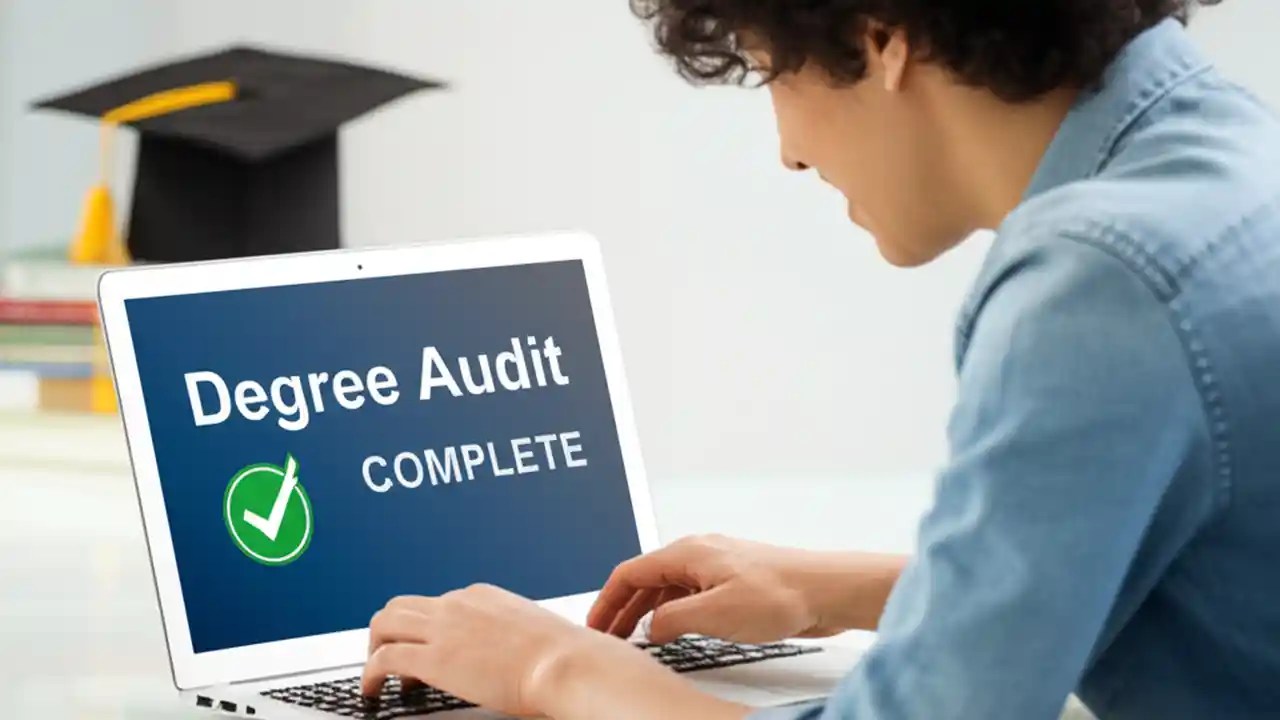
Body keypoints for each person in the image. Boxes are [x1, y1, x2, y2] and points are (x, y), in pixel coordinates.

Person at [359, 1, 1280, 718]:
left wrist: (550, 664)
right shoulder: (1223, 152)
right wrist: (838, 590)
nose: (789, 152)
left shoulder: (1096, 283)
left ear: (880, 39)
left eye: (768, 72)